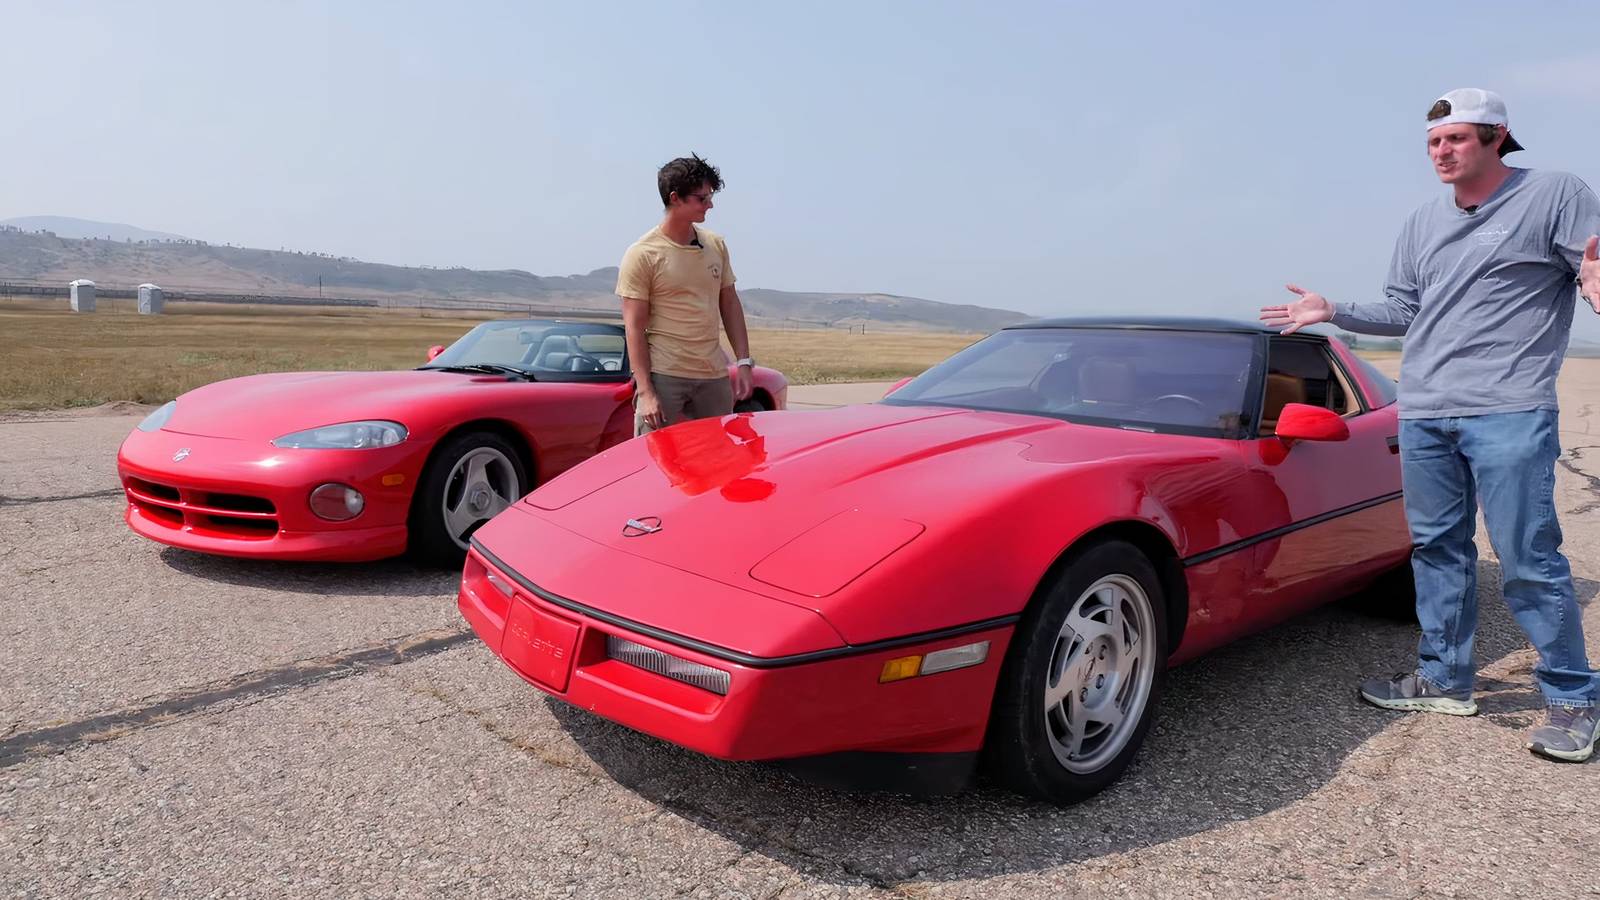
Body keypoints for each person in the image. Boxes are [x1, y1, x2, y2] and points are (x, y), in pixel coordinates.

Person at [1261, 88, 1600, 762]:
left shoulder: (1555, 193)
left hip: (1508, 408)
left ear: (1497, 137)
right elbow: (1401, 308)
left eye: (1457, 140)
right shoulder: (1421, 222)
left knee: (1529, 559)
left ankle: (1572, 697)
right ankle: (1445, 679)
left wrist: (1593, 277)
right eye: (1434, 144)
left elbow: (1588, 262)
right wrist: (1334, 308)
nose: (1442, 153)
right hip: (1426, 413)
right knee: (1437, 551)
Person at [617, 154, 754, 436]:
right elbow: (634, 327)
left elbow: (729, 303)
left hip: (713, 376)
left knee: (717, 463)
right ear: (675, 198)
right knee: (653, 464)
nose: (710, 204)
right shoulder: (643, 254)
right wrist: (645, 392)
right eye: (702, 198)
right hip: (665, 376)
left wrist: (743, 362)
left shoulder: (715, 245)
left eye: (710, 196)